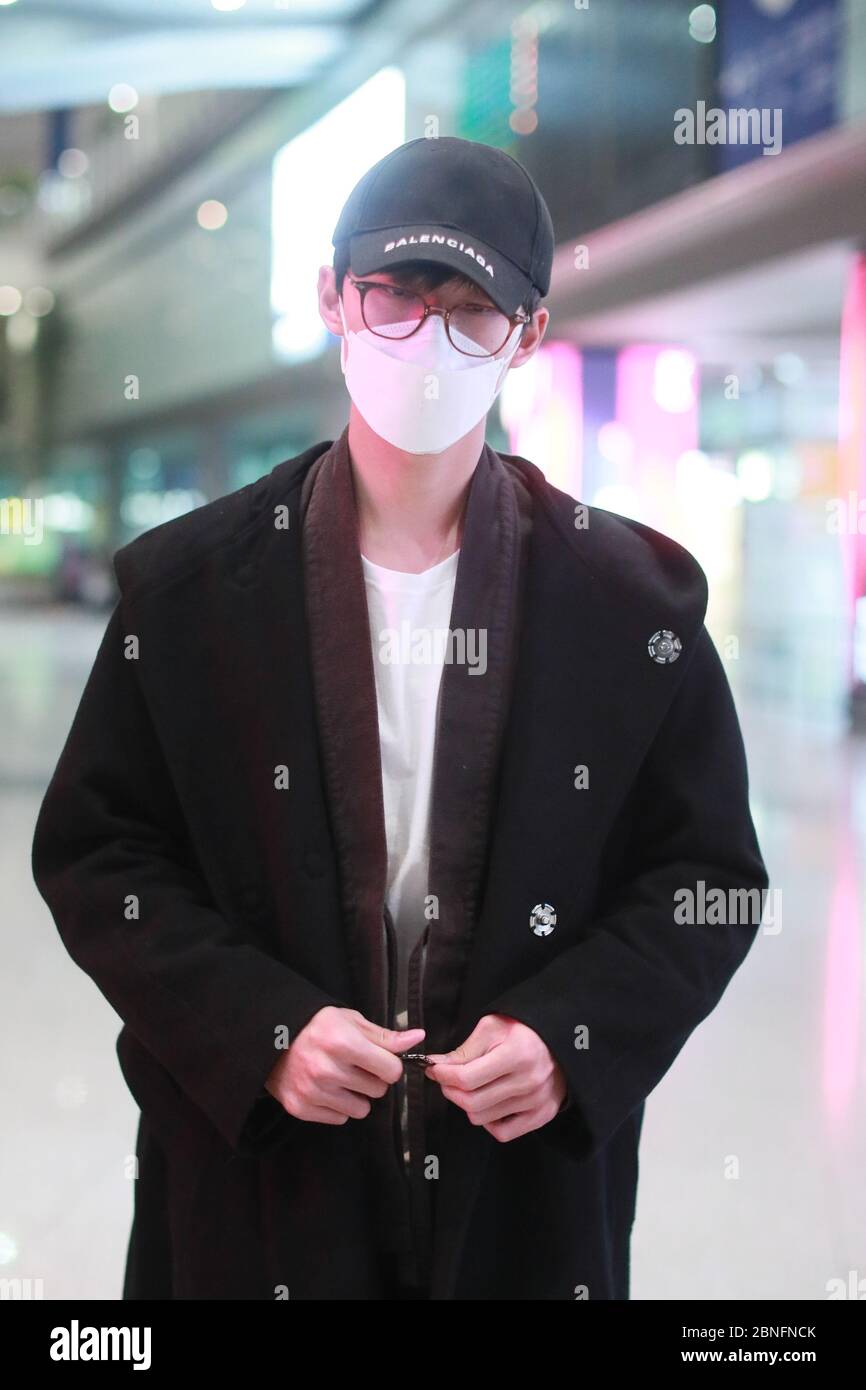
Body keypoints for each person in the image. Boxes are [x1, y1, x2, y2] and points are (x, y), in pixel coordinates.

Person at [31, 135, 769, 1301]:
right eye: (394, 296)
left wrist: (566, 1038)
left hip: (512, 1181)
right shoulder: (188, 591)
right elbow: (97, 848)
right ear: (332, 296)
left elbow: (702, 877)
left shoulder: (630, 604)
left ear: (525, 335)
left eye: (471, 309)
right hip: (257, 1174)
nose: (428, 340)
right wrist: (260, 1027)